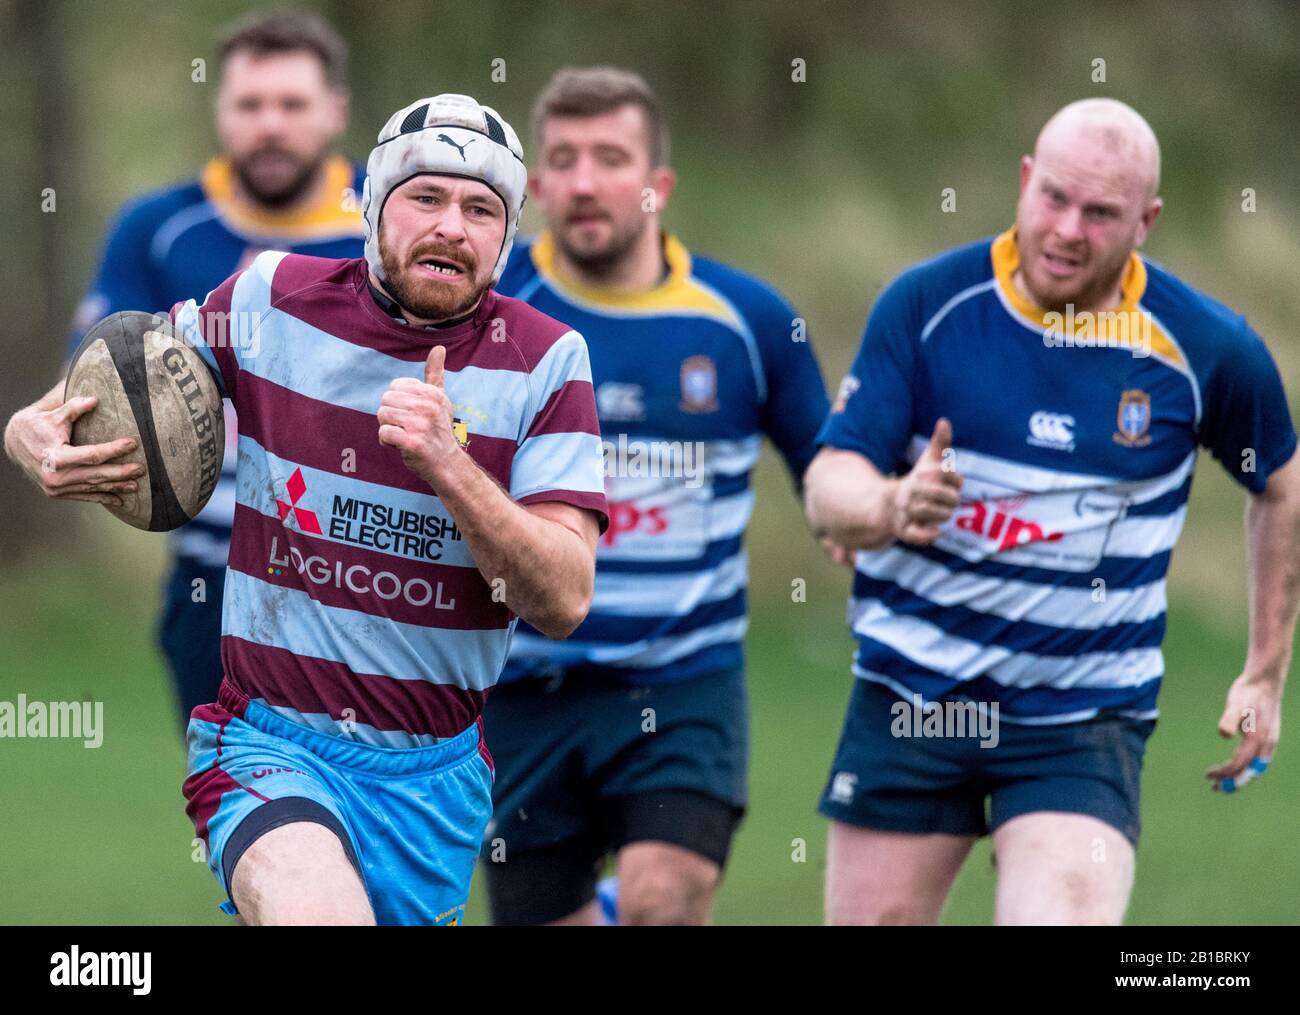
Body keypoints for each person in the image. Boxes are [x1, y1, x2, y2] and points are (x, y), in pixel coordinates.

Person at [13, 92, 608, 925]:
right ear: (373, 209)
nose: (452, 227)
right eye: (426, 197)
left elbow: (564, 598)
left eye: (482, 209)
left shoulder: (549, 362)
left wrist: (451, 465)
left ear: (505, 241)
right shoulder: (269, 299)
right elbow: (126, 377)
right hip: (269, 743)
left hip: (433, 781)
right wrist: (25, 432)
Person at [804, 98, 1300, 925]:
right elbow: (830, 482)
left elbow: (1280, 484)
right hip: (911, 694)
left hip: (1081, 715)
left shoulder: (1205, 349)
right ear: (1026, 182)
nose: (1068, 229)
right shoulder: (928, 307)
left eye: (1101, 213)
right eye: (1055, 198)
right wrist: (889, 503)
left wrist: (1264, 671)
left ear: (1146, 221)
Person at [483, 67, 828, 926]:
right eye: (562, 159)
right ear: (535, 186)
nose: (587, 180)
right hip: (522, 685)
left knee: (664, 900)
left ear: (657, 185)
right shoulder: (491, 312)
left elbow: (828, 466)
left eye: (611, 156)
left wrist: (870, 510)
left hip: (681, 679)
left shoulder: (745, 321)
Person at [3, 8, 364, 725]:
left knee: (372, 824)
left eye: (291, 105)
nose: (269, 125)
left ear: (334, 112)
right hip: (213, 585)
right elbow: (101, 371)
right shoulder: (158, 226)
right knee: (237, 820)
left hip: (365, 582)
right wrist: (26, 430)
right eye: (249, 104)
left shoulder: (389, 225)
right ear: (220, 111)